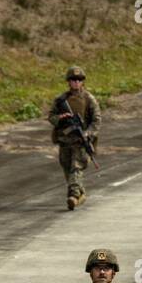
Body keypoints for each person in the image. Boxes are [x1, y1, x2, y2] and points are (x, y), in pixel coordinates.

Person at [47, 66, 100, 211]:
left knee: (76, 168)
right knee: (67, 168)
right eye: (73, 80)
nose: (76, 82)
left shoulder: (89, 99)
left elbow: (96, 120)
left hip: (80, 142)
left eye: (79, 80)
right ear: (68, 82)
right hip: (65, 141)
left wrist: (88, 133)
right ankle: (80, 194)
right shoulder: (61, 100)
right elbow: (50, 117)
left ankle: (73, 195)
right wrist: (60, 118)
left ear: (83, 82)